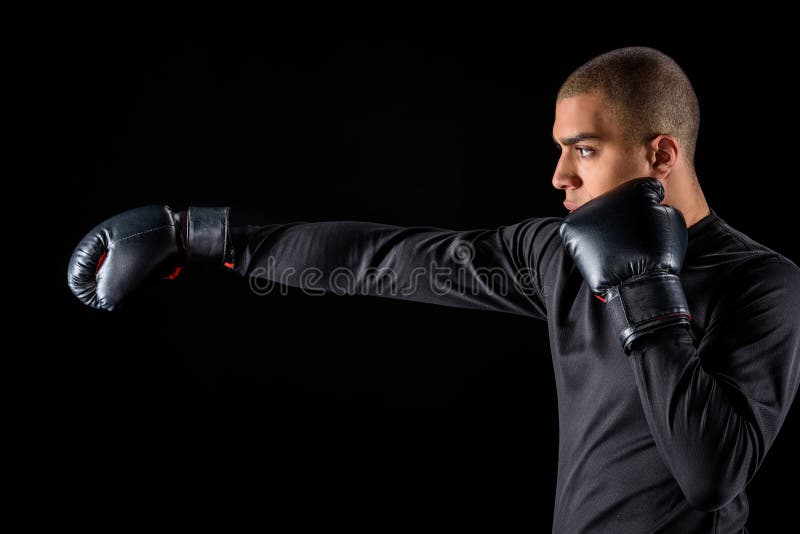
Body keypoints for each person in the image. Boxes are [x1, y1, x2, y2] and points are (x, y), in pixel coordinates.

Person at [67, 46, 800, 533]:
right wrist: (203, 235)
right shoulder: (558, 254)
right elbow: (389, 259)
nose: (560, 177)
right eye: (560, 150)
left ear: (661, 154)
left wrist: (646, 287)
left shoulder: (759, 282)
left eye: (584, 150)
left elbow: (712, 474)